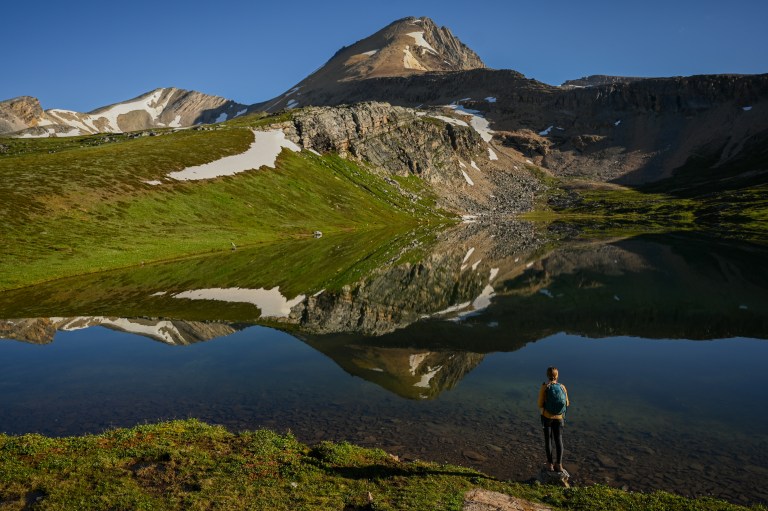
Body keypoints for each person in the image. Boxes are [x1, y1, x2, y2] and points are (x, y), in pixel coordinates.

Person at [537, 366, 569, 473]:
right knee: (559, 440)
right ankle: (559, 464)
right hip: (560, 418)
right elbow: (567, 403)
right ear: (557, 375)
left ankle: (550, 464)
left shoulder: (545, 387)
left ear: (547, 375)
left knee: (548, 440)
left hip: (547, 417)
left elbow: (540, 404)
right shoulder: (562, 387)